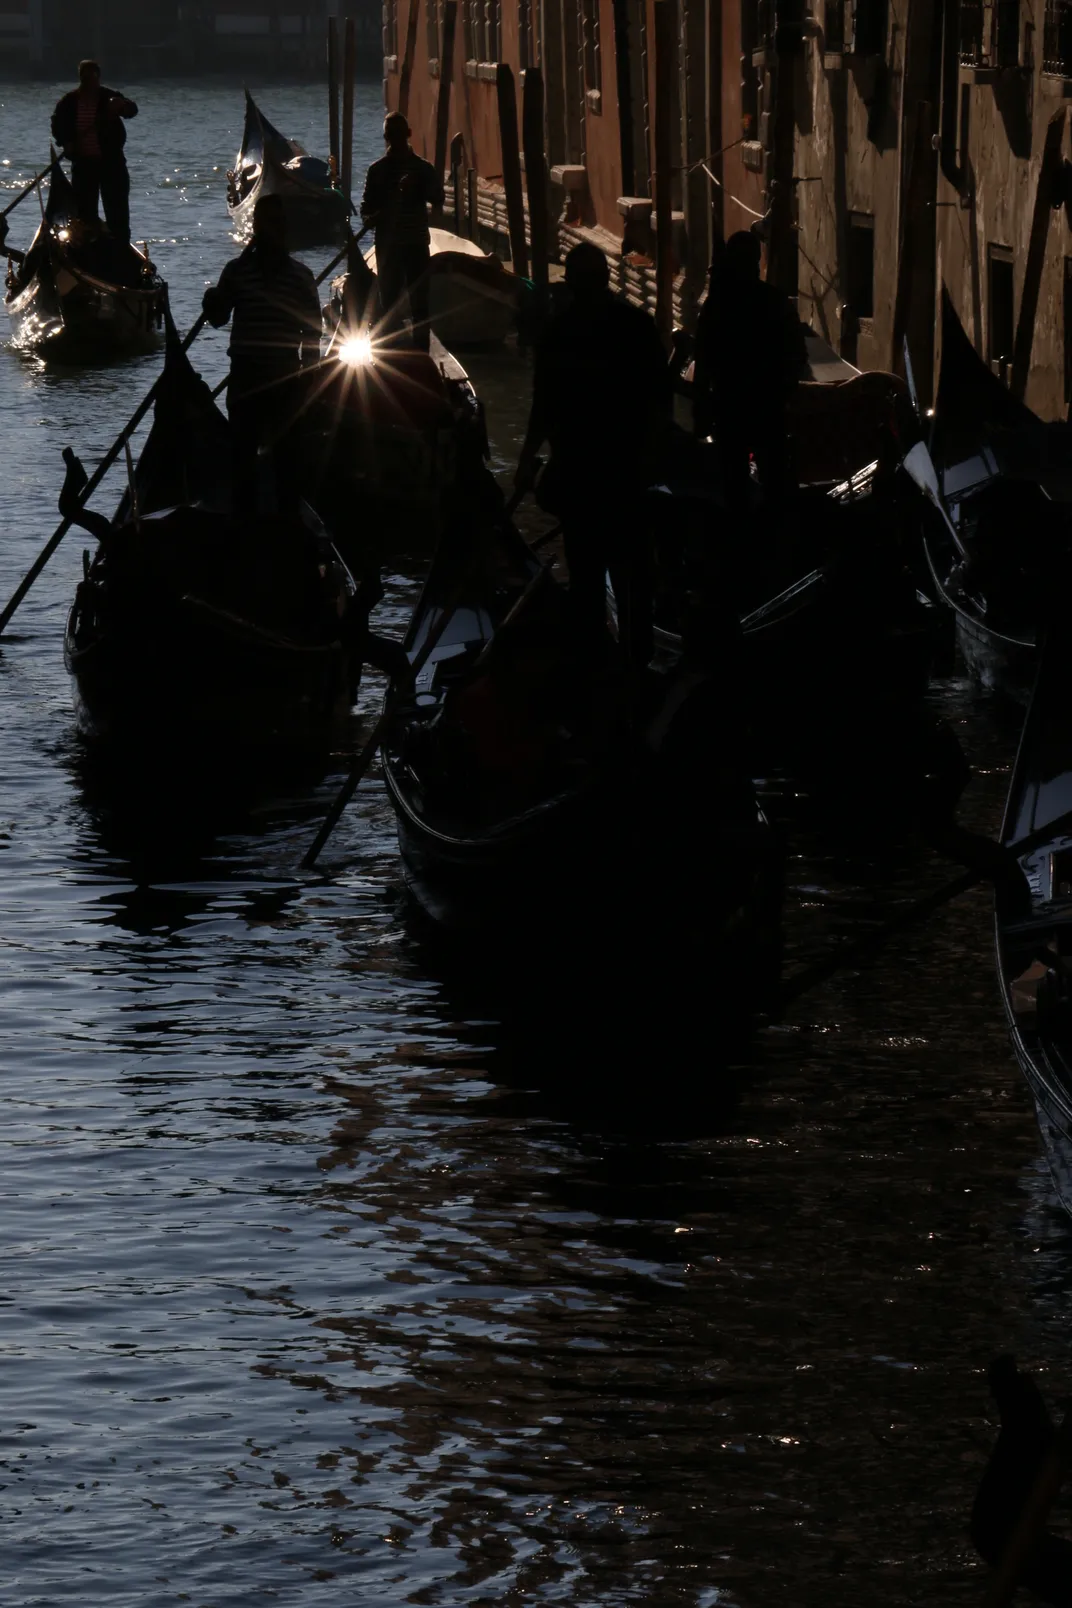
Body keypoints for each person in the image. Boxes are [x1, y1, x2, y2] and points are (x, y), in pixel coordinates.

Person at [514, 241, 672, 669]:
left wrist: (527, 461)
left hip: (584, 471)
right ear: (605, 280)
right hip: (623, 471)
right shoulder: (635, 327)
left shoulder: (559, 333)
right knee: (630, 573)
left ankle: (595, 664)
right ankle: (634, 662)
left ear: (571, 284)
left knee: (588, 574)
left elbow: (543, 406)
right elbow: (660, 401)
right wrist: (653, 457)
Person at [202, 194, 323, 514]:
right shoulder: (236, 272)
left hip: (286, 382)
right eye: (270, 223)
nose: (275, 229)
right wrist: (211, 300)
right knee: (243, 467)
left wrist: (307, 379)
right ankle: (246, 525)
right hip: (246, 380)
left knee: (287, 469)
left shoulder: (300, 277)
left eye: (279, 223)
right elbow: (218, 318)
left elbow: (312, 334)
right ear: (257, 227)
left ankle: (286, 524)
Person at [692, 229, 808, 514]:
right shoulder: (773, 301)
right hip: (764, 408)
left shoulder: (718, 304)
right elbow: (796, 356)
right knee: (771, 485)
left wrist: (702, 409)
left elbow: (704, 360)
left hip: (734, 407)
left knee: (736, 486)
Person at [360, 112, 444, 351]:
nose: (395, 140)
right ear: (387, 138)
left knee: (420, 307)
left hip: (416, 245)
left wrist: (419, 187)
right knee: (389, 307)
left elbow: (438, 197)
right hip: (389, 248)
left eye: (399, 135)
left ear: (407, 135)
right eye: (392, 135)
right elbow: (366, 211)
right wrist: (374, 217)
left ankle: (422, 355)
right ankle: (391, 355)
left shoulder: (423, 169)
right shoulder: (377, 171)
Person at [51, 60, 137, 243]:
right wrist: (65, 142)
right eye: (86, 77)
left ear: (98, 78)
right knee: (85, 216)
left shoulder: (109, 97)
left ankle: (120, 248)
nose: (89, 81)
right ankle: (89, 247)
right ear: (81, 78)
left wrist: (121, 105)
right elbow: (57, 123)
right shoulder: (69, 102)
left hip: (111, 164)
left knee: (117, 214)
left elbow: (131, 110)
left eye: (93, 77)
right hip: (84, 165)